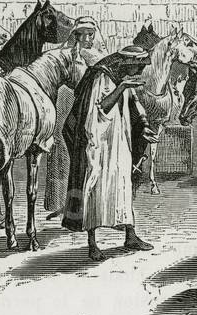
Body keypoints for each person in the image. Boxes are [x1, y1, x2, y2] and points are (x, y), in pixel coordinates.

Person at [61, 45, 159, 259]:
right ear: (127, 64)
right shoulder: (101, 76)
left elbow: (135, 105)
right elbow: (101, 108)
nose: (140, 72)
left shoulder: (123, 78)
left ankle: (130, 236)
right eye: (138, 67)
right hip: (98, 144)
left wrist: (144, 127)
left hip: (119, 141)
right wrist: (122, 86)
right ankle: (92, 243)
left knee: (123, 186)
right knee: (95, 188)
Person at [45, 16, 100, 212]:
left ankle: (87, 204)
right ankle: (61, 203)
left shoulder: (98, 55)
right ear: (75, 35)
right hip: (68, 103)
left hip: (91, 106)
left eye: (90, 34)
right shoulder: (67, 54)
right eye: (82, 34)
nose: (86, 38)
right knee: (63, 154)